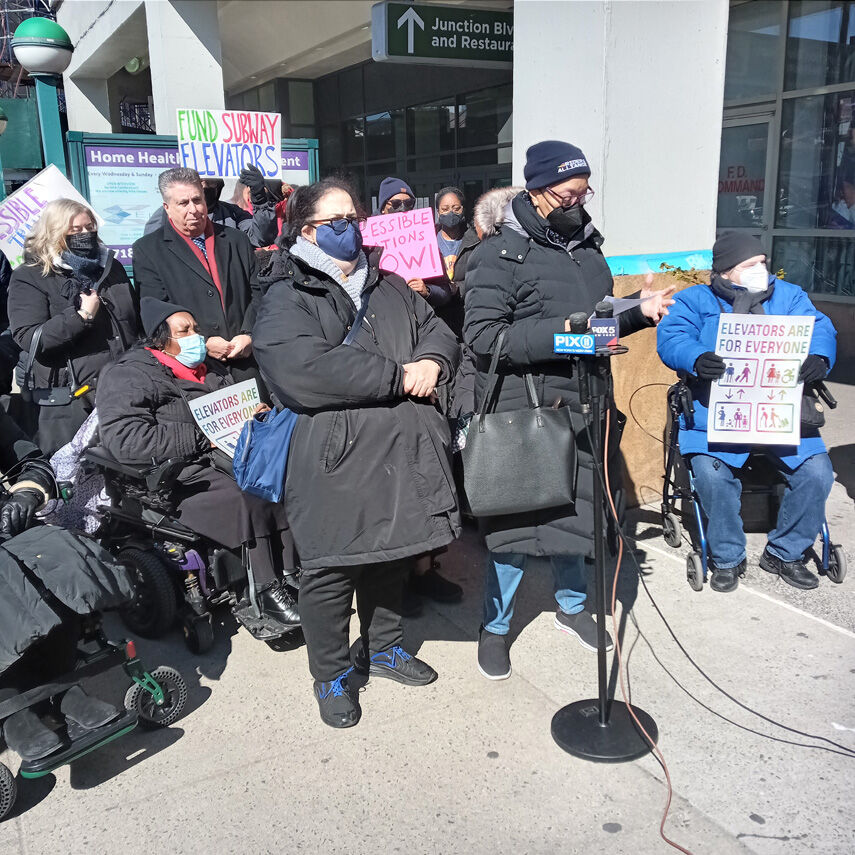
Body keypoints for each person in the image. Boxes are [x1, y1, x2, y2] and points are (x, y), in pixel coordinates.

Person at [253, 178, 461, 728]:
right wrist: (398, 375)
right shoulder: (285, 295)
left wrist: (433, 364)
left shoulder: (388, 284)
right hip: (331, 458)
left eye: (354, 218)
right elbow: (305, 372)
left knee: (392, 554)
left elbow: (436, 330)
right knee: (330, 571)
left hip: (400, 447)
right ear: (307, 231)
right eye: (336, 220)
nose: (351, 228)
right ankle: (333, 675)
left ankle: (385, 647)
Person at [464, 140, 674, 680]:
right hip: (526, 409)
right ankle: (494, 627)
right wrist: (569, 336)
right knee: (516, 530)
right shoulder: (497, 254)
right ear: (537, 189)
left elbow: (595, 328)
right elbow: (486, 340)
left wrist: (638, 314)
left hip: (586, 404)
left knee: (575, 519)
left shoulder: (587, 250)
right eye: (570, 191)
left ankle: (573, 607)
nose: (581, 200)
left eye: (585, 190)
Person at [96, 297, 300, 627]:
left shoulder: (208, 367)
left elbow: (233, 410)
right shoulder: (129, 375)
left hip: (228, 454)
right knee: (247, 496)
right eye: (184, 330)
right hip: (173, 471)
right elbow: (125, 439)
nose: (196, 336)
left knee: (280, 477)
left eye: (196, 328)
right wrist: (199, 436)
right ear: (159, 337)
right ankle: (266, 588)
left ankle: (292, 572)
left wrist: (256, 415)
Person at [656, 231, 837, 593]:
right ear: (725, 271)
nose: (760, 269)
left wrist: (819, 356)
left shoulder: (789, 296)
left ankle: (784, 553)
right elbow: (672, 336)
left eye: (762, 262)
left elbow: (819, 327)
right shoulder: (695, 300)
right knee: (710, 475)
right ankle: (727, 556)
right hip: (716, 410)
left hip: (780, 411)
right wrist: (695, 357)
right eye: (749, 264)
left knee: (817, 473)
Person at [0, 406, 124, 761]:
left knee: (63, 559)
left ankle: (60, 687)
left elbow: (32, 462)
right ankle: (12, 707)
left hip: (7, 528)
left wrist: (25, 495)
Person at [374, 178, 463, 614]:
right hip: (386, 375)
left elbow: (449, 294)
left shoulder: (425, 241)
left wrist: (427, 291)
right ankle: (396, 579)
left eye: (408, 203)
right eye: (392, 204)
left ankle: (426, 567)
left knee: (431, 471)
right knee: (395, 481)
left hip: (427, 371)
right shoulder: (364, 253)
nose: (400, 209)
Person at [8, 199, 140, 455]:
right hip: (71, 401)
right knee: (72, 478)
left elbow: (134, 321)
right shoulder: (31, 275)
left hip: (121, 390)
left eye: (89, 227)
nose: (85, 235)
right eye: (75, 230)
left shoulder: (110, 268)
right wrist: (81, 317)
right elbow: (28, 337)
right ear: (55, 233)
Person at [132, 168, 261, 384]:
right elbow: (155, 310)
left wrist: (249, 334)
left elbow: (257, 292)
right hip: (194, 371)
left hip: (245, 361)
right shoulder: (148, 250)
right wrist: (203, 342)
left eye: (197, 200)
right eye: (183, 203)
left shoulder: (236, 239)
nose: (193, 209)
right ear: (167, 208)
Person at [143, 164, 278, 248]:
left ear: (219, 185)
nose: (204, 185)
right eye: (200, 181)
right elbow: (152, 252)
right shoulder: (166, 215)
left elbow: (260, 238)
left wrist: (260, 199)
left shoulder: (232, 213)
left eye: (210, 181)